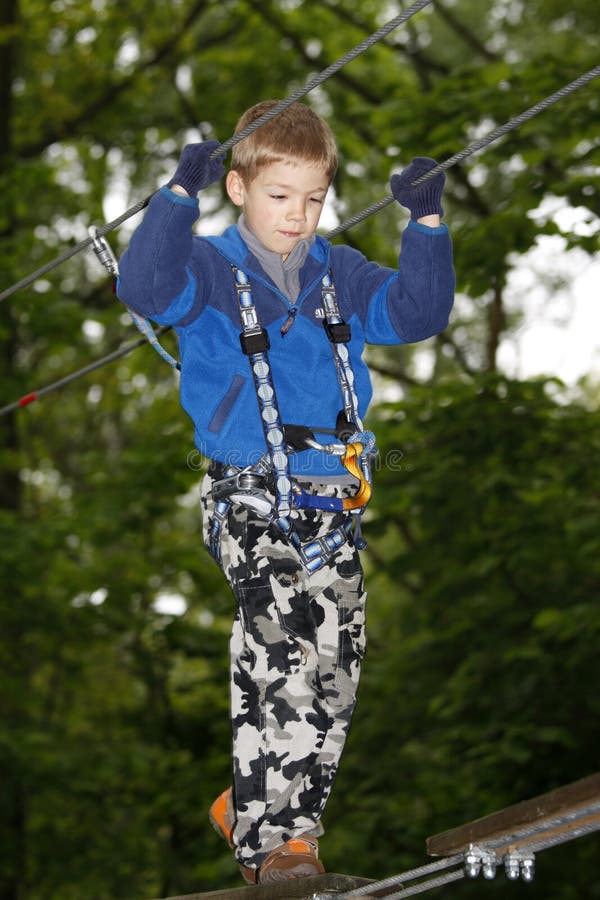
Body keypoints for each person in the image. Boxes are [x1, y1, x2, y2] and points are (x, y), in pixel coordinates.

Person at [117, 99, 454, 884]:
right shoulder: (206, 269)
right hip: (248, 491)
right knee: (280, 640)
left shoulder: (342, 274)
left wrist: (428, 227)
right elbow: (145, 286)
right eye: (279, 197)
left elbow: (416, 312)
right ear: (238, 188)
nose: (298, 217)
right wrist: (175, 198)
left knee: (335, 667)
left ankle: (250, 807)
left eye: (313, 199)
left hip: (332, 501)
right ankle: (282, 840)